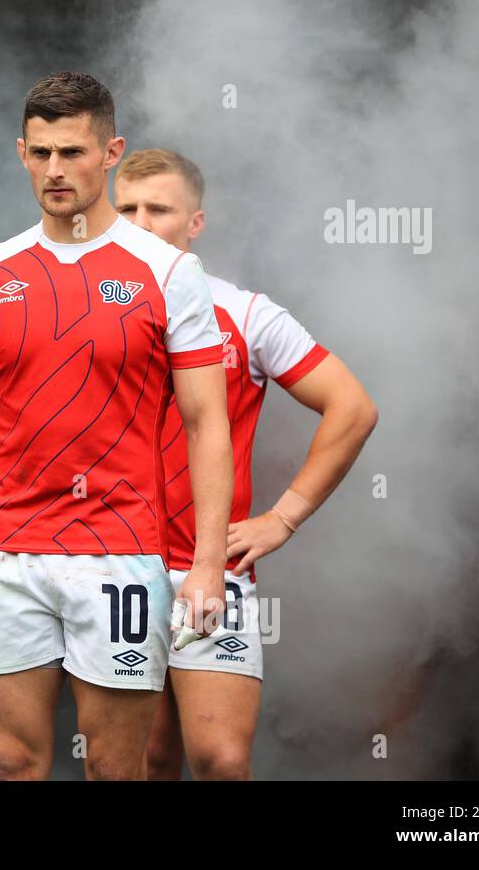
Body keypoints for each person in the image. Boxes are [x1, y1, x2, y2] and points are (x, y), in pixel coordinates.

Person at [0, 73, 234, 780]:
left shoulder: (170, 271)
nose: (56, 170)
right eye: (42, 152)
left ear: (111, 151)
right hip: (5, 551)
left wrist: (206, 566)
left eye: (74, 152)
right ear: (22, 152)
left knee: (116, 768)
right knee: (10, 762)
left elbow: (208, 424)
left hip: (120, 554)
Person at [113, 148, 378, 780]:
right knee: (144, 760)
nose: (142, 224)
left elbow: (352, 407)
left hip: (211, 568)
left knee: (221, 761)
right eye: (126, 209)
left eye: (160, 209)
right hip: (113, 565)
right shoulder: (83, 314)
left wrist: (282, 519)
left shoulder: (247, 313)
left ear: (195, 222)